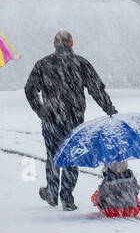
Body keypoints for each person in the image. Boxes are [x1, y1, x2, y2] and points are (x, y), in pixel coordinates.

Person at [24, 30, 117, 211]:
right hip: (74, 119)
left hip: (51, 118)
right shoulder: (81, 63)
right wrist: (109, 108)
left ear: (54, 44)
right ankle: (67, 198)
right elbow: (96, 89)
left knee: (53, 156)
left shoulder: (44, 64)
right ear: (71, 43)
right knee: (72, 156)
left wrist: (41, 110)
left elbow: (29, 89)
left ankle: (51, 192)